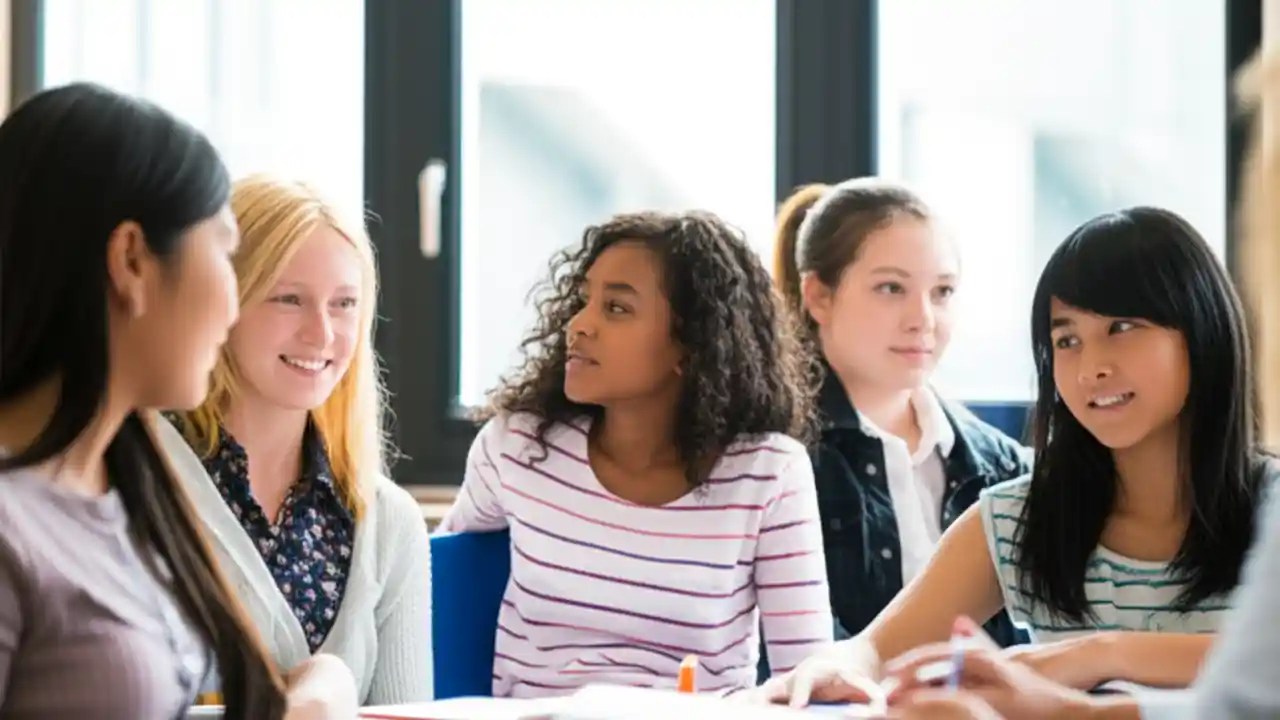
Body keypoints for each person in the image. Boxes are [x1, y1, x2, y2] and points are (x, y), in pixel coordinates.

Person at [762, 206, 1272, 707]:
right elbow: (872, 650)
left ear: (1203, 333)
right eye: (1067, 339)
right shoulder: (1019, 517)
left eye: (1121, 328)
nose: (1091, 366)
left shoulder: (1271, 507)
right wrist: (834, 666)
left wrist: (1101, 654)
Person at [0, 83, 355, 719]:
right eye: (225, 251)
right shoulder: (16, 522)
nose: (231, 304)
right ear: (131, 260)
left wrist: (320, 685)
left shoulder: (130, 489)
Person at [438, 210, 832, 697]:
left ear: (691, 346)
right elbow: (435, 592)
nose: (579, 325)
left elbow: (807, 680)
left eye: (617, 308)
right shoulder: (517, 446)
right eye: (584, 302)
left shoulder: (769, 473)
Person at [160, 175, 433, 705]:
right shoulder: (136, 479)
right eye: (289, 298)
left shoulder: (388, 521)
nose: (322, 334)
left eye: (344, 304)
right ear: (223, 300)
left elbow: (408, 715)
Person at [772, 178, 1029, 648]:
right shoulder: (774, 459)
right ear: (818, 297)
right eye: (891, 288)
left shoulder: (1002, 465)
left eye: (943, 292)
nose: (923, 319)